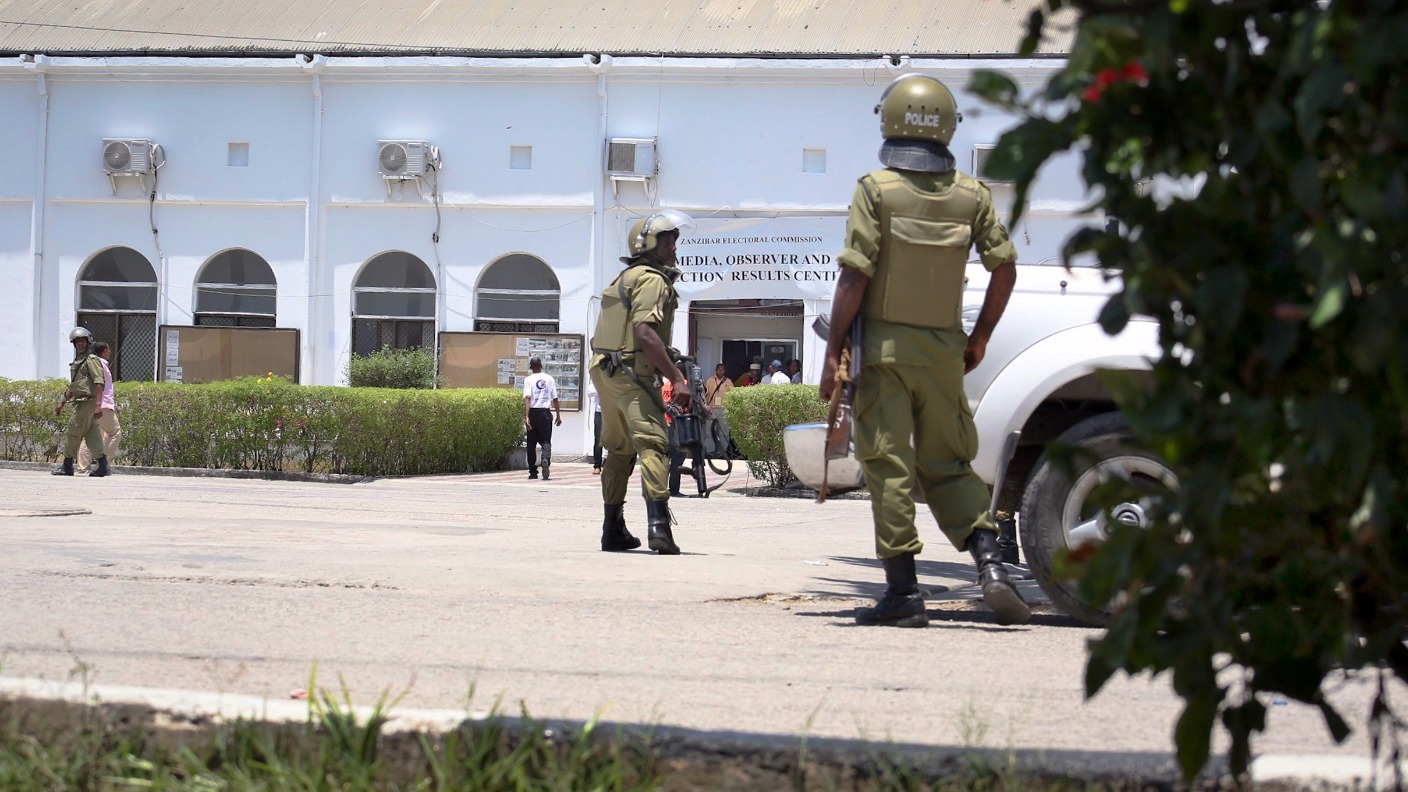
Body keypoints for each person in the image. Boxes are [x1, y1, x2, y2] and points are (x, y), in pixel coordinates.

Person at [820, 74, 1027, 628]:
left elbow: (855, 275)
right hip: (943, 355)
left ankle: (904, 594)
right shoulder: (971, 195)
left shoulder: (876, 189)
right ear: (947, 126)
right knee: (948, 464)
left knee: (887, 466)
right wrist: (979, 335)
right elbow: (1004, 267)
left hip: (884, 353)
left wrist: (832, 351)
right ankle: (992, 567)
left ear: (890, 121)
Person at [588, 209, 694, 554]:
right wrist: (677, 378)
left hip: (606, 370)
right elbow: (644, 333)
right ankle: (659, 528)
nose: (674, 247)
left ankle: (612, 530)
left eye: (675, 240)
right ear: (647, 243)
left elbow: (633, 334)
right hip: (634, 374)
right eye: (667, 241)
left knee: (619, 451)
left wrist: (667, 354)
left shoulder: (625, 277)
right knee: (653, 444)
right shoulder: (652, 279)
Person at [52, 327, 109, 477]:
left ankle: (67, 466)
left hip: (87, 403)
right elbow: (75, 386)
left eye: (83, 341)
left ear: (88, 341)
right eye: (77, 341)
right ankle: (103, 466)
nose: (80, 344)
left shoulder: (91, 360)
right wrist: (61, 404)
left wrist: (98, 405)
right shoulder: (79, 361)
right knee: (92, 435)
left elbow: (99, 382)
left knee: (73, 432)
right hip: (83, 401)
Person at [76, 341, 121, 475]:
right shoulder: (102, 366)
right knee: (115, 432)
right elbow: (100, 386)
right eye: (108, 350)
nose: (110, 352)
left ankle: (82, 467)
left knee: (90, 435)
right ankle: (104, 465)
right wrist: (103, 404)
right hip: (102, 406)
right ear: (104, 351)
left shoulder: (91, 364)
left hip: (92, 405)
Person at [522, 357, 561, 480]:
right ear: (541, 366)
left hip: (533, 412)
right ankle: (545, 459)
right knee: (546, 441)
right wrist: (558, 415)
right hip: (545, 413)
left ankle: (533, 472)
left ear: (531, 367)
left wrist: (527, 416)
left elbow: (528, 398)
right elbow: (555, 398)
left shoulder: (528, 380)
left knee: (531, 444)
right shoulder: (549, 378)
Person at [702, 362, 733, 458]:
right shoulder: (710, 380)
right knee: (709, 431)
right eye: (719, 369)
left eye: (722, 369)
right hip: (712, 409)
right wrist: (705, 406)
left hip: (723, 410)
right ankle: (710, 452)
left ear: (725, 371)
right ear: (716, 370)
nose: (721, 371)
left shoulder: (728, 382)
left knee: (724, 432)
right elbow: (704, 394)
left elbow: (732, 396)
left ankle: (721, 452)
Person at [585, 376, 603, 474]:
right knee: (598, 440)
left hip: (613, 411)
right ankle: (597, 466)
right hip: (599, 411)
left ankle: (610, 462)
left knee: (614, 438)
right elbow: (589, 392)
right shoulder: (597, 378)